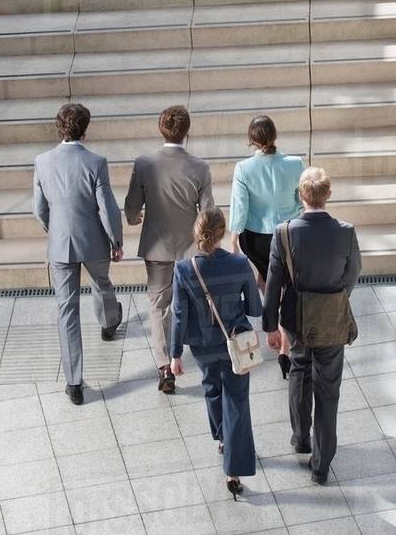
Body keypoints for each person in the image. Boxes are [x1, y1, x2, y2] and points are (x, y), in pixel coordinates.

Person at [263, 167, 362, 485]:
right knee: (328, 388)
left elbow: (274, 283)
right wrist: (333, 300)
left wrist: (270, 325)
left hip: (295, 318)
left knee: (299, 371)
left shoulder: (284, 232)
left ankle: (300, 437)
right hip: (331, 319)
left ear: (301, 196)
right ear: (328, 194)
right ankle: (321, 464)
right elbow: (351, 276)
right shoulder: (346, 232)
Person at [33, 103, 124, 405]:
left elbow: (39, 208)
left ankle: (74, 381)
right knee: (102, 283)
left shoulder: (42, 161)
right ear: (85, 129)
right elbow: (107, 207)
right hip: (94, 240)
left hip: (60, 243)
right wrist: (116, 240)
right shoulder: (96, 162)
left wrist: (54, 228)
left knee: (66, 309)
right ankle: (109, 323)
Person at [170, 208, 260, 498]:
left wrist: (174, 355)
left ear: (197, 233)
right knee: (237, 398)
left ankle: (223, 438)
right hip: (235, 342)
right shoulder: (240, 262)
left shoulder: (184, 269)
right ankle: (233, 470)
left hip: (202, 344)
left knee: (211, 388)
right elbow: (255, 308)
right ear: (221, 233)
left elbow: (179, 316)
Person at [125, 104, 213, 394]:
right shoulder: (200, 167)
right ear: (187, 132)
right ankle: (201, 357)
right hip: (191, 247)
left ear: (160, 128)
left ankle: (165, 367)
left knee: (158, 304)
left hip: (156, 244)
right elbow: (207, 212)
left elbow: (132, 206)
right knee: (195, 302)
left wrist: (133, 217)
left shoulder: (144, 163)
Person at [228, 115, 303, 380]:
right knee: (283, 284)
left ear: (251, 140)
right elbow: (300, 199)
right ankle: (284, 342)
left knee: (270, 281)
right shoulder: (295, 164)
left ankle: (279, 333)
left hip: (257, 237)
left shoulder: (243, 168)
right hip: (288, 232)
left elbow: (240, 206)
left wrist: (234, 237)